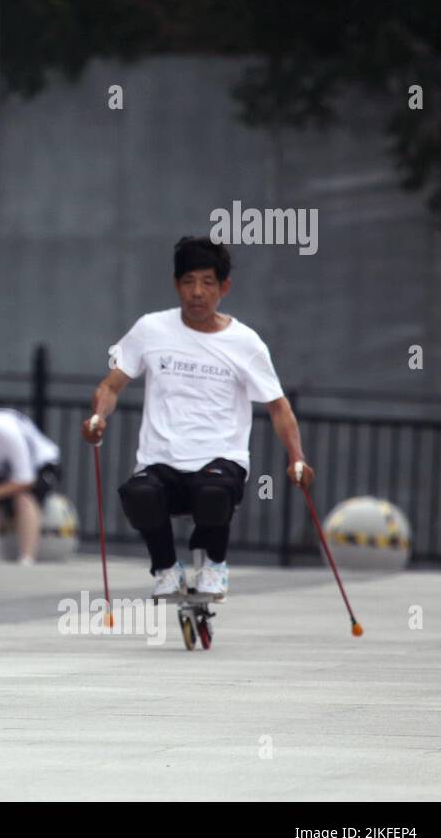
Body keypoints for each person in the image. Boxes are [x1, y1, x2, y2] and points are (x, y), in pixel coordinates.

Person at [80, 236, 314, 600]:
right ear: (176, 285)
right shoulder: (151, 329)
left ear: (224, 287)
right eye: (188, 282)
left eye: (207, 282)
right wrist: (98, 417)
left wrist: (297, 457)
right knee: (137, 493)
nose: (197, 292)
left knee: (212, 492)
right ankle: (166, 570)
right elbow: (111, 386)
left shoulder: (245, 343)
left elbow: (278, 406)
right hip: (162, 460)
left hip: (221, 460)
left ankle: (213, 563)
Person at [0, 407, 61, 565]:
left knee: (24, 497)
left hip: (41, 466)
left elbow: (25, 480)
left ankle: (27, 557)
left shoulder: (5, 431)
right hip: (6, 469)